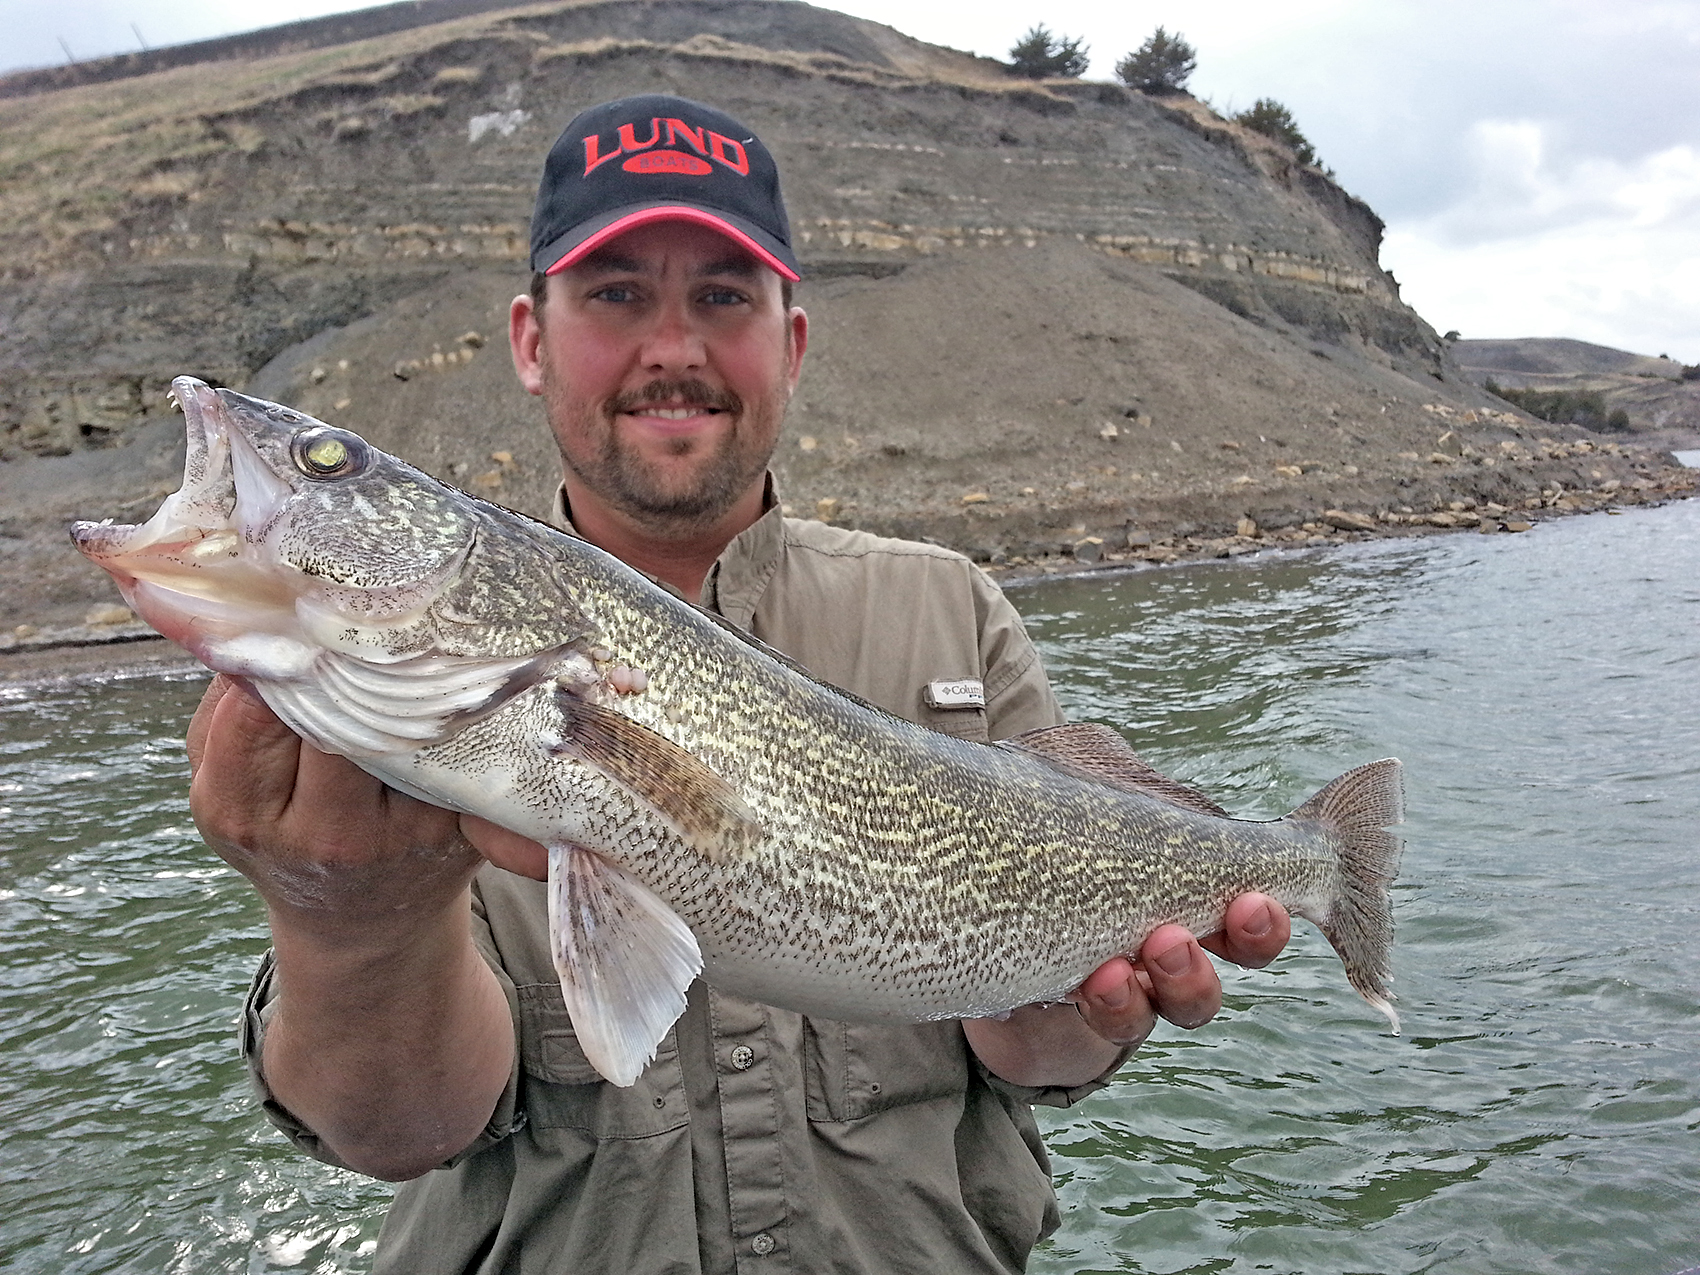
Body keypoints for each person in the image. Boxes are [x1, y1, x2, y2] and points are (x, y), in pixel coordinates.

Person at [187, 94, 1291, 1273]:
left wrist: (1069, 1017)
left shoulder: (951, 608)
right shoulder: (388, 715)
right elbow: (395, 1133)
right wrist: (346, 921)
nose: (673, 348)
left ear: (792, 341)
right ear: (528, 339)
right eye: (614, 295)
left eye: (722, 296)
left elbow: (1028, 1056)